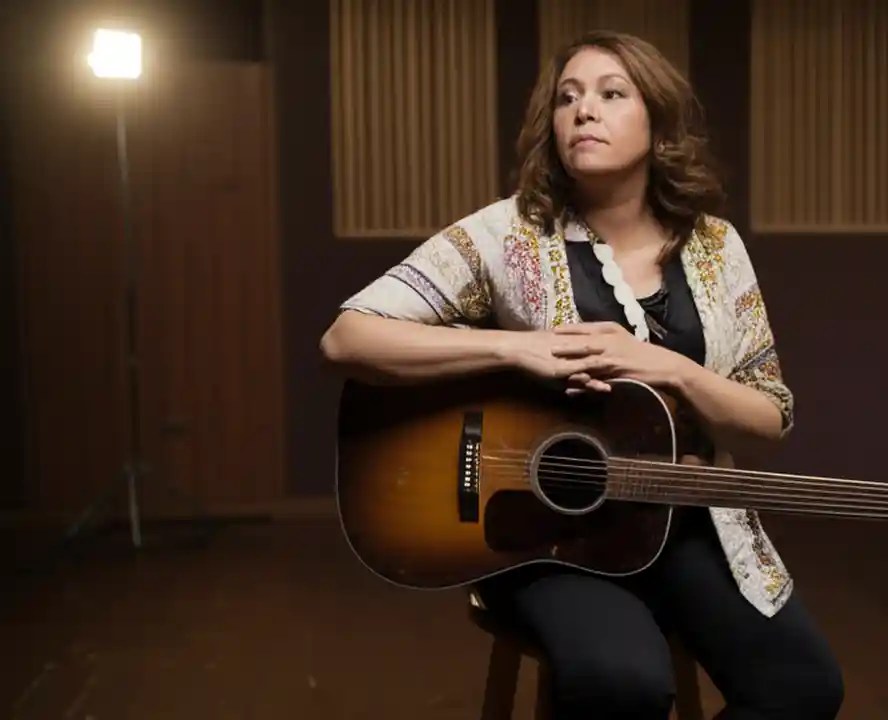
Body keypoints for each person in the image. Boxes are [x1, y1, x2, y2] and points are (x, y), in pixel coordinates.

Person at [320, 30, 844, 720]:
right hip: (544, 534)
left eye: (610, 94)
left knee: (803, 689)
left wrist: (674, 370)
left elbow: (769, 418)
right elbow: (347, 338)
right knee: (619, 682)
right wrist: (513, 350)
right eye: (567, 98)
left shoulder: (717, 246)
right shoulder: (506, 234)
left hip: (685, 526)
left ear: (658, 126)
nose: (583, 111)